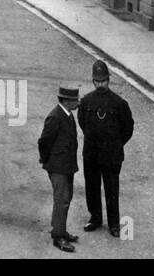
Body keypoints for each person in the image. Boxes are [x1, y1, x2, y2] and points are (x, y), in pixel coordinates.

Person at [78, 59, 134, 237]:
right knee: (92, 187)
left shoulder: (119, 104)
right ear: (92, 81)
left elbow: (128, 128)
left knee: (111, 189)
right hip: (92, 154)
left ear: (108, 80)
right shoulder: (86, 101)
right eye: (97, 81)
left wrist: (116, 144)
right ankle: (95, 218)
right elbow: (82, 123)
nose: (100, 84)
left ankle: (114, 224)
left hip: (111, 156)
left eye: (103, 80)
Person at [38, 85, 81, 252]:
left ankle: (60, 230)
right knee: (61, 200)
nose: (78, 102)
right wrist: (47, 160)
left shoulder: (67, 115)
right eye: (75, 100)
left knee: (66, 198)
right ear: (67, 101)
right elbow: (43, 142)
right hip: (58, 167)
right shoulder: (55, 117)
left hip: (66, 165)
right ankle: (58, 237)